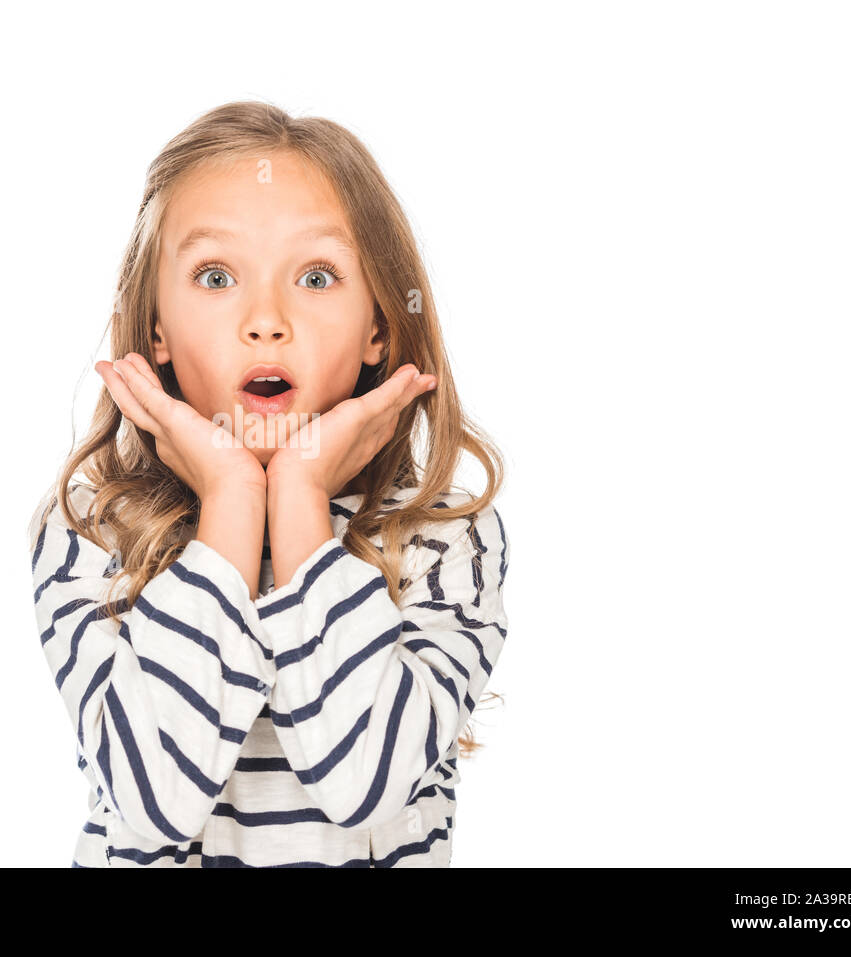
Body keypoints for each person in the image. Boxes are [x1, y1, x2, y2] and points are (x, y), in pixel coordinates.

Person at [27, 100, 510, 867]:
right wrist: (231, 496)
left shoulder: (444, 535)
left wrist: (299, 498)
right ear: (156, 331)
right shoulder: (91, 527)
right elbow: (156, 799)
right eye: (216, 276)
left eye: (316, 276)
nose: (265, 320)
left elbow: (362, 782)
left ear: (379, 327)